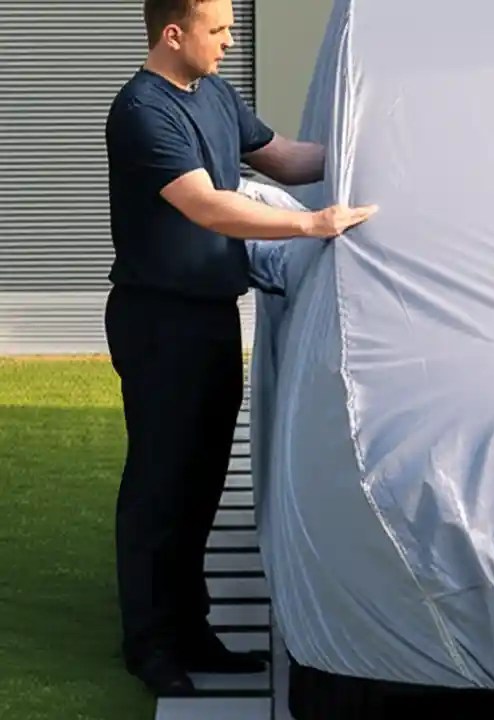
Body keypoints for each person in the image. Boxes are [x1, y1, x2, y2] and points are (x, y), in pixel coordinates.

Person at [103, 0, 376, 697]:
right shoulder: (143, 112)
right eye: (218, 30)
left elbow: (285, 158)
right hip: (158, 321)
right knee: (161, 485)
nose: (229, 41)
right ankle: (151, 646)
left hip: (212, 315)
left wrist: (370, 155)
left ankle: (193, 631)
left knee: (199, 482)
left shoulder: (215, 93)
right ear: (174, 33)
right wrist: (314, 225)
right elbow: (207, 205)